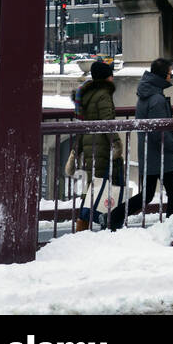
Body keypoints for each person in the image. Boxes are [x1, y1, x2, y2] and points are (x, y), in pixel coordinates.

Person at [110, 58, 173, 230]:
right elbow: (158, 131)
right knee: (171, 193)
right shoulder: (157, 99)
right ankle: (172, 226)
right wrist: (172, 147)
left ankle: (113, 217)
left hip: (149, 153)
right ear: (163, 75)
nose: (172, 76)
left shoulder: (147, 93)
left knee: (146, 195)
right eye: (170, 73)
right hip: (161, 154)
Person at [73, 60, 122, 232]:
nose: (112, 77)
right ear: (106, 77)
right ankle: (94, 224)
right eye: (110, 74)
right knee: (104, 184)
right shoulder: (103, 95)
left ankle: (87, 224)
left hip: (89, 144)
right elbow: (107, 122)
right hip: (101, 145)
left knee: (95, 184)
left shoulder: (86, 94)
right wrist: (116, 142)